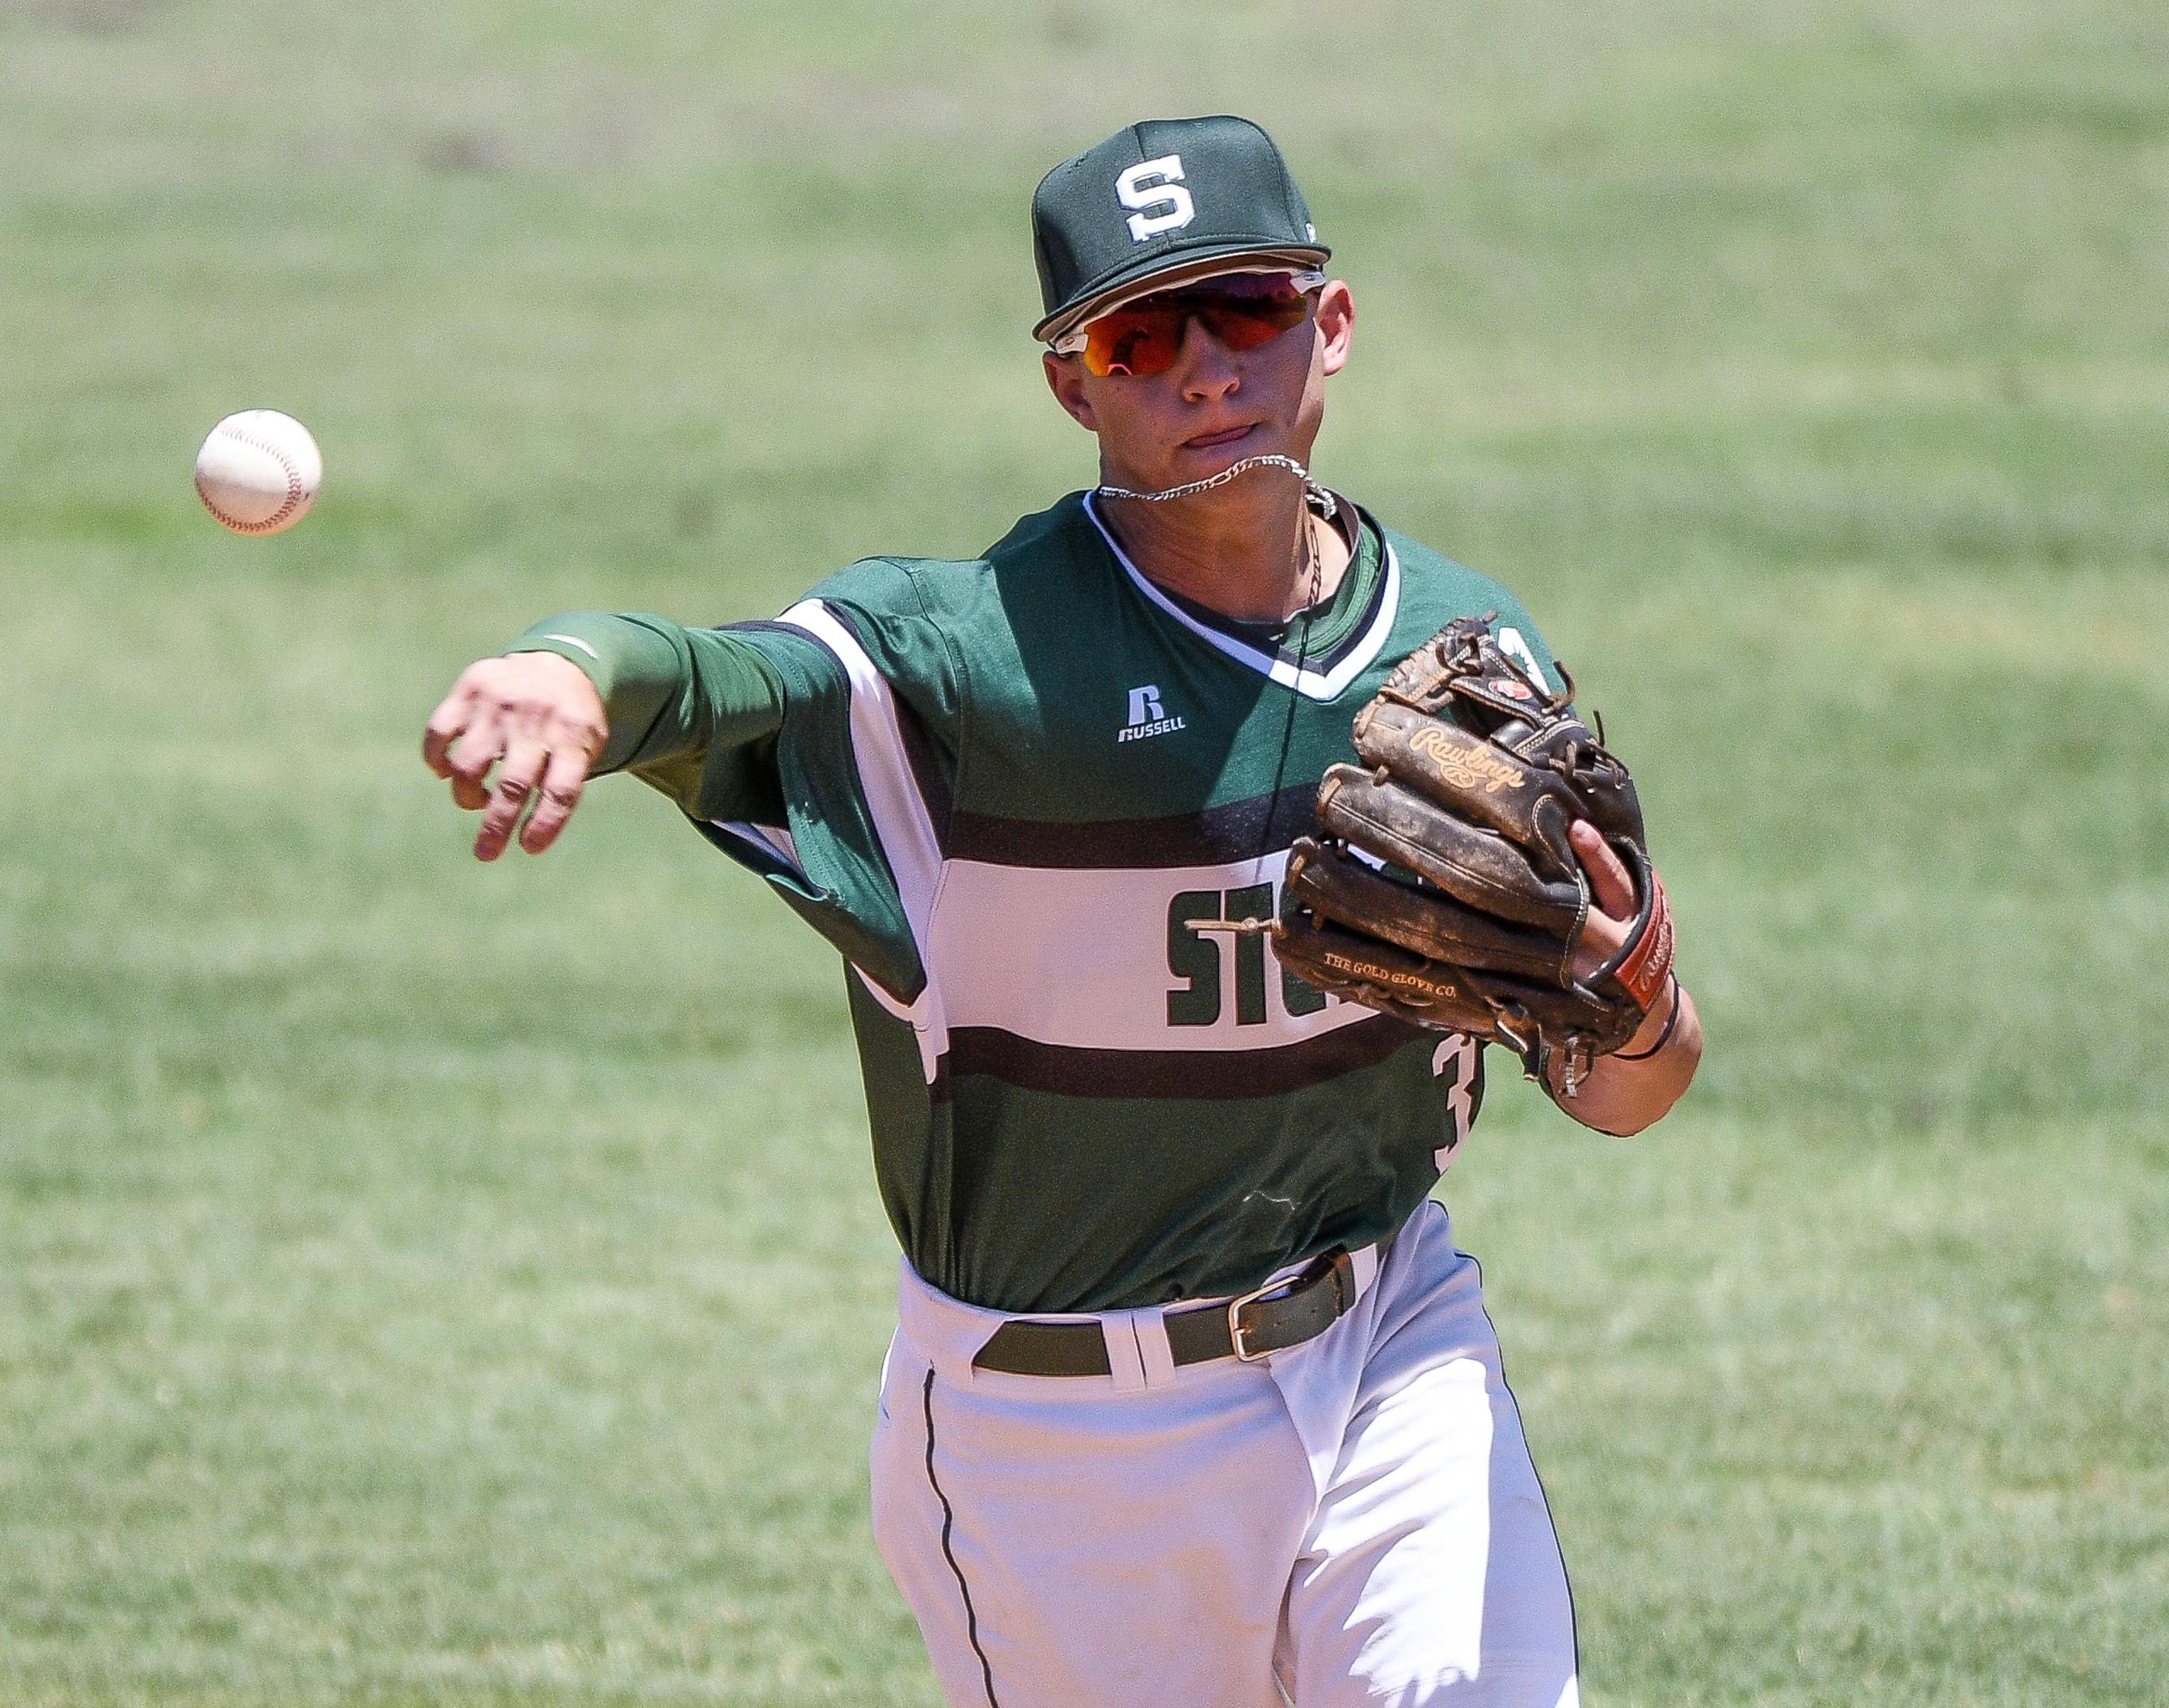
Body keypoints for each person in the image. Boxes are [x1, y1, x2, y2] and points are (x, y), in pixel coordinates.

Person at [422, 115, 1702, 1708]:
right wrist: (566, 671)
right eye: (1139, 334)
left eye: (1244, 308)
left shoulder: (1462, 652)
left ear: (1335, 321)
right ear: (1073, 384)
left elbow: (1629, 1086)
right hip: (1070, 1440)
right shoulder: (976, 661)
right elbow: (715, 673)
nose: (1204, 368)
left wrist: (1638, 989)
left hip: (1391, 1340)